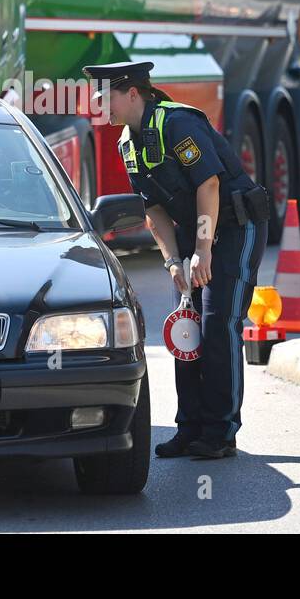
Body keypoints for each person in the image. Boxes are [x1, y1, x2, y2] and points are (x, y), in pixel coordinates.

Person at [83, 60, 271, 459]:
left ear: (132, 93)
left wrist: (203, 251)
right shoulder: (127, 143)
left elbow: (209, 183)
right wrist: (172, 261)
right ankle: (189, 427)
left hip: (234, 226)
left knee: (219, 324)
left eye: (105, 96)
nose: (99, 105)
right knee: (187, 329)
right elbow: (153, 209)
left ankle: (220, 432)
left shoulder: (177, 124)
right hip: (191, 234)